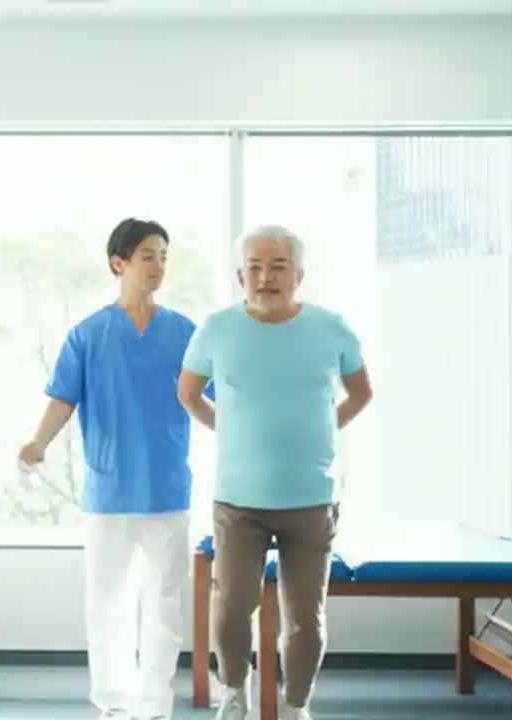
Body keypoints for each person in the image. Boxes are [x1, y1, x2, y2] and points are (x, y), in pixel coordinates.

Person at [177, 225, 373, 720]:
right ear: (241, 275)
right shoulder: (217, 328)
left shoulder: (332, 328)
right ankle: (235, 692)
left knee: (304, 619)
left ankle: (294, 704)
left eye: (278, 267)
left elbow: (361, 393)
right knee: (231, 606)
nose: (266, 277)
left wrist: (324, 430)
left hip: (311, 498)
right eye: (256, 268)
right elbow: (188, 392)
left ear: (298, 275)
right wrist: (230, 430)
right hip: (238, 499)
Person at [19, 218, 207, 720]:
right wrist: (38, 442)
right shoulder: (88, 334)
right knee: (108, 608)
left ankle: (155, 705)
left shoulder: (186, 333)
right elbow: (63, 398)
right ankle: (115, 704)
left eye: (164, 255)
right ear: (118, 262)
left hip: (167, 489)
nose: (158, 266)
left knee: (166, 609)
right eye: (148, 254)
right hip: (110, 491)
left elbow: (216, 400)